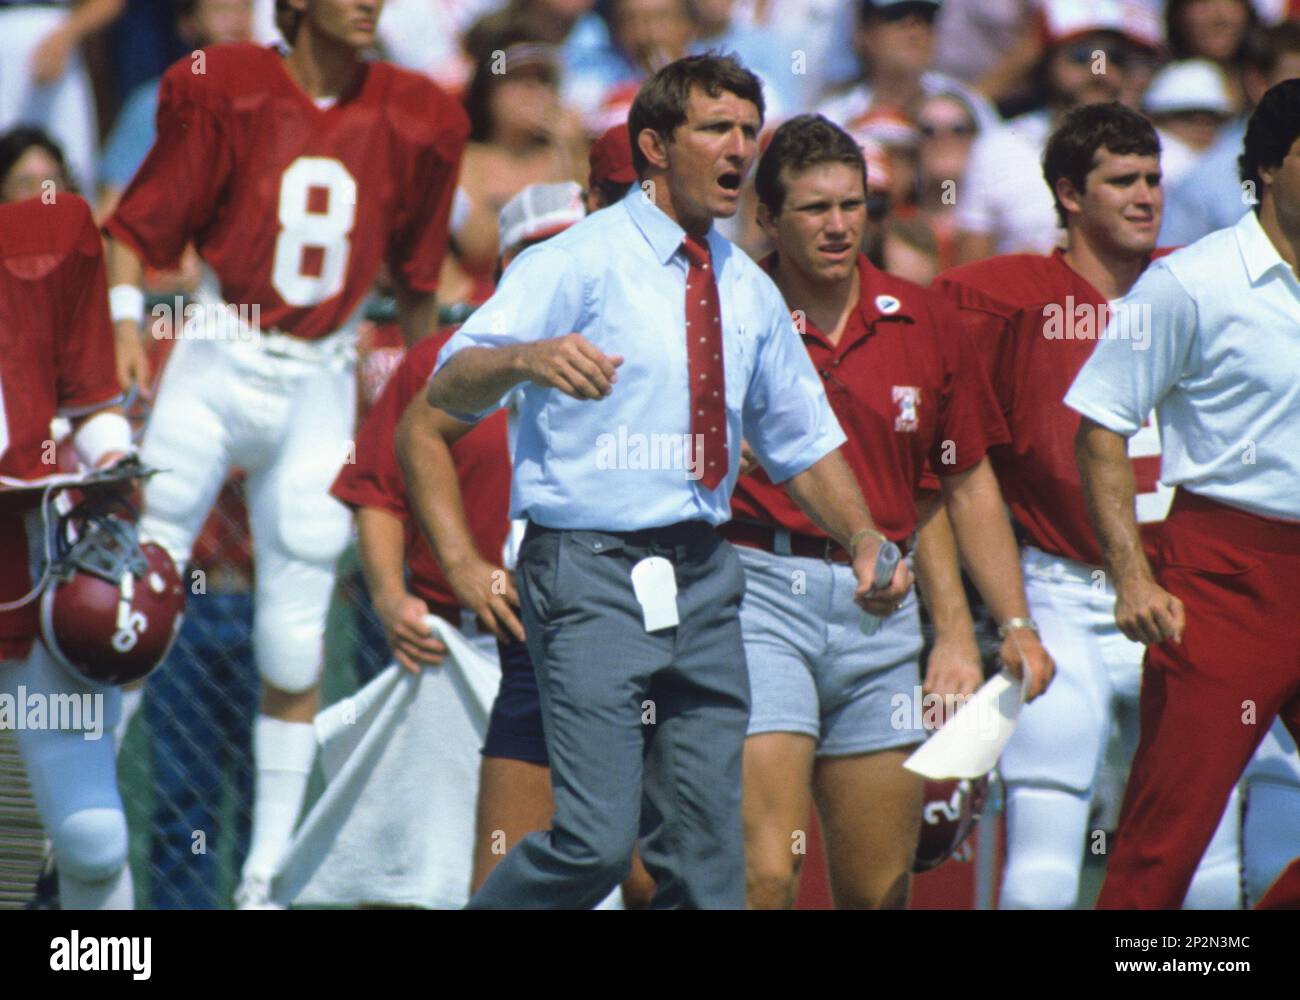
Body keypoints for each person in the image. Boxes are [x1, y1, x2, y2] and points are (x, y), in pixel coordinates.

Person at [427, 53, 913, 909]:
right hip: (588, 569)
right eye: (715, 129)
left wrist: (865, 535)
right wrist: (525, 358)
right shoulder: (578, 260)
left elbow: (802, 442)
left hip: (704, 576)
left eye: (747, 131)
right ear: (653, 145)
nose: (739, 148)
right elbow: (450, 378)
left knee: (705, 859)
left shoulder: (745, 288)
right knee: (593, 844)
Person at [103, 0, 469, 908]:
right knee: (130, 602)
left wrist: (419, 408)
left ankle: (265, 881)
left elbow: (419, 289)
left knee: (297, 636)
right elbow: (135, 231)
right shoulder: (228, 84)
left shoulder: (422, 111)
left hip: (323, 368)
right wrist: (123, 325)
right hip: (221, 343)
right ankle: (78, 846)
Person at [936, 102, 1254, 909]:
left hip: (1191, 590)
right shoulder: (1000, 299)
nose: (1147, 195)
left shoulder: (1207, 278)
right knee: (1046, 835)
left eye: (1152, 177)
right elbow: (948, 457)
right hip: (1064, 591)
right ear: (1069, 194)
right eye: (1123, 180)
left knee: (1209, 850)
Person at [733, 114, 1054, 910]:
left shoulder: (927, 319)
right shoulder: (728, 314)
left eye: (854, 204)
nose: (839, 225)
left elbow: (961, 484)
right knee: (765, 873)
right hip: (755, 593)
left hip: (883, 613)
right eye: (814, 209)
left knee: (880, 890)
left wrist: (1000, 624)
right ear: (768, 218)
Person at [1068, 79, 1300, 910]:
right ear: (1270, 166)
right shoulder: (1190, 282)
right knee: (1163, 847)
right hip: (1223, 570)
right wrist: (1131, 577)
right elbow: (1099, 426)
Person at [399, 179, 655, 905]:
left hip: (650, 617)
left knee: (651, 873)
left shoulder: (648, 324)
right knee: (497, 866)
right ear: (507, 265)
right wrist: (459, 567)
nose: (554, 263)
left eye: (565, 245)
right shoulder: (481, 353)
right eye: (535, 252)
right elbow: (413, 441)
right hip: (523, 625)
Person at [0, 194, 133, 908]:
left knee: (92, 839)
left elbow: (92, 404)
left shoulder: (41, 243)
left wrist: (115, 462)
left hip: (28, 568)